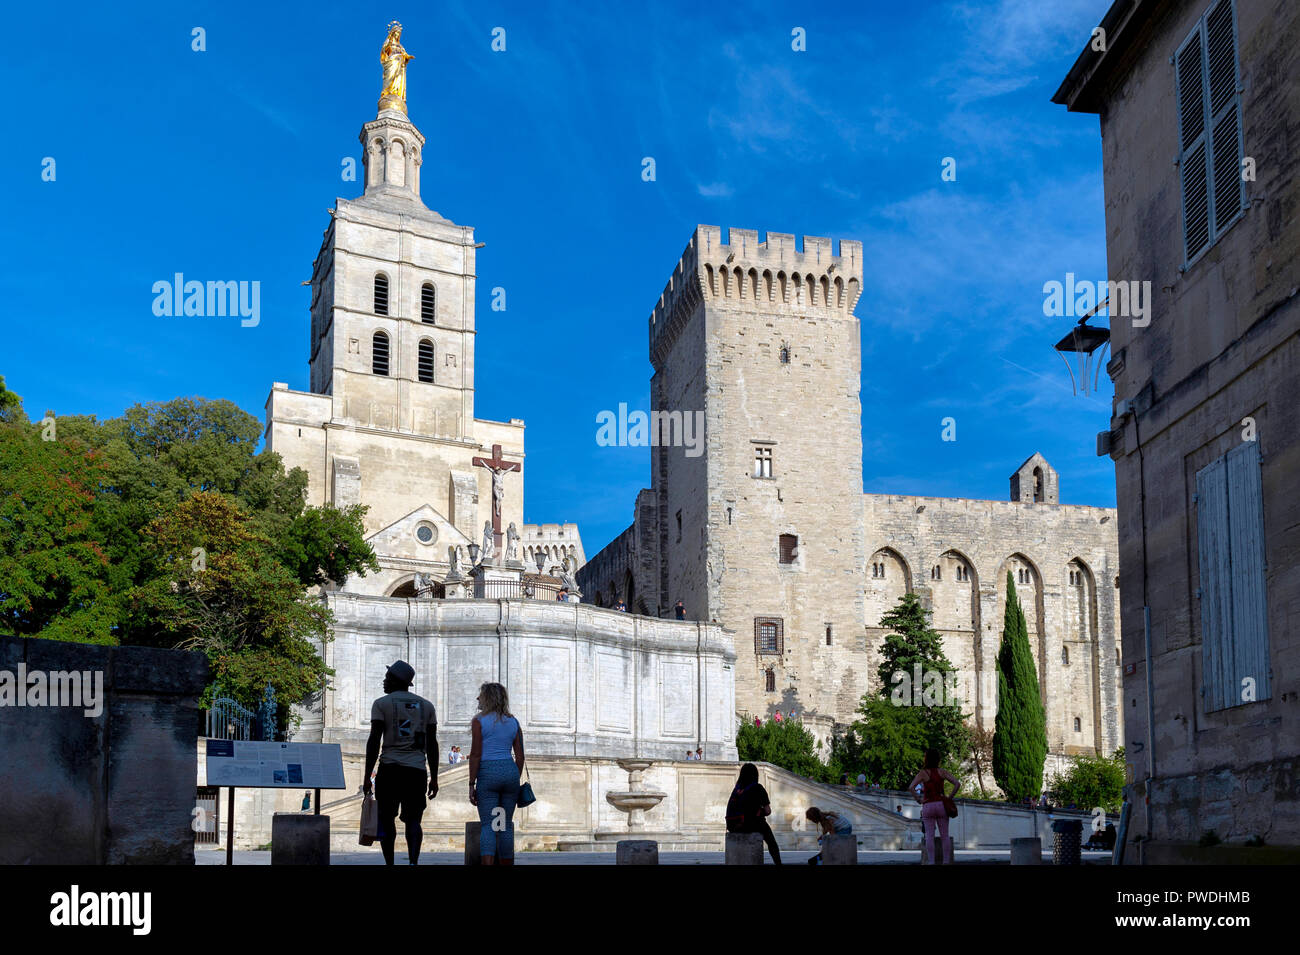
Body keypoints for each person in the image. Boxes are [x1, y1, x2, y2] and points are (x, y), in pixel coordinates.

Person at [363, 660, 439, 865]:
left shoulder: (381, 704)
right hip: (416, 770)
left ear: (396, 681)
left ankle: (390, 863)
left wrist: (367, 776)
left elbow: (374, 741)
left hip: (390, 769)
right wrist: (435, 778)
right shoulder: (427, 706)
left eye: (387, 678)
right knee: (414, 820)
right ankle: (413, 862)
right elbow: (432, 745)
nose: (384, 681)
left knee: (387, 819)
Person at [468, 681, 525, 865]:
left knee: (489, 825)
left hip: (488, 773)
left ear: (488, 698)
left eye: (481, 695)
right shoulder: (513, 721)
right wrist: (513, 776)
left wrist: (471, 783)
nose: (478, 698)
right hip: (509, 772)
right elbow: (520, 756)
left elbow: (475, 754)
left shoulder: (479, 721)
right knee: (505, 824)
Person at [907, 748, 961, 865]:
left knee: (929, 837)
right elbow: (957, 784)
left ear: (926, 758)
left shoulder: (923, 773)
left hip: (928, 805)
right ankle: (946, 862)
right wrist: (949, 797)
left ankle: (931, 862)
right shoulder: (942, 772)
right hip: (941, 804)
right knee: (945, 836)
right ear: (938, 759)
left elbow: (911, 787)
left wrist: (918, 799)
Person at [724, 763, 781, 864]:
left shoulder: (737, 789)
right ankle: (778, 863)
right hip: (749, 824)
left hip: (732, 826)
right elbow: (768, 811)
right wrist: (760, 812)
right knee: (771, 842)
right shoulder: (758, 788)